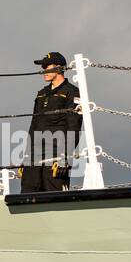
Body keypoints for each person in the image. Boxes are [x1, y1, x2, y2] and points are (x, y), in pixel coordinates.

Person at [20, 51, 81, 193]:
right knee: (27, 198)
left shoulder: (72, 92)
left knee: (55, 198)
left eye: (47, 67)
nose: (44, 70)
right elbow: (33, 125)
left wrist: (63, 156)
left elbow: (74, 126)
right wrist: (26, 157)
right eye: (43, 67)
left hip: (56, 154)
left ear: (59, 68)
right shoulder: (41, 93)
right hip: (34, 156)